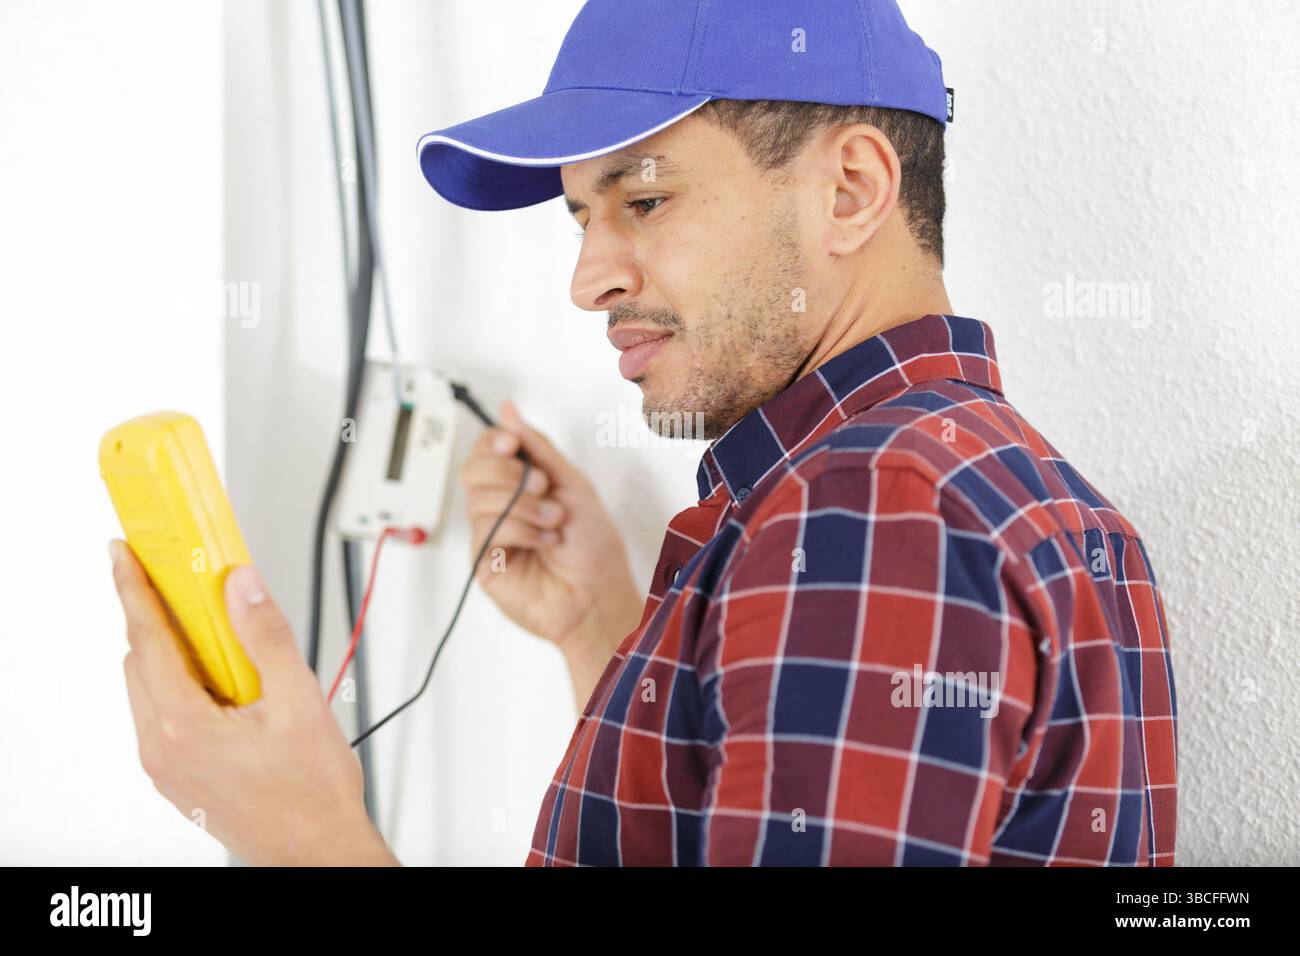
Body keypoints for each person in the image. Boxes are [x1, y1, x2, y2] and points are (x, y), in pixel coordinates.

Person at [109, 0, 1177, 866]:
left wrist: (300, 832)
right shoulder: (988, 485)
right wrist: (601, 628)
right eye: (580, 215)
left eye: (646, 199)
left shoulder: (870, 512)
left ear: (850, 189)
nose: (588, 279)